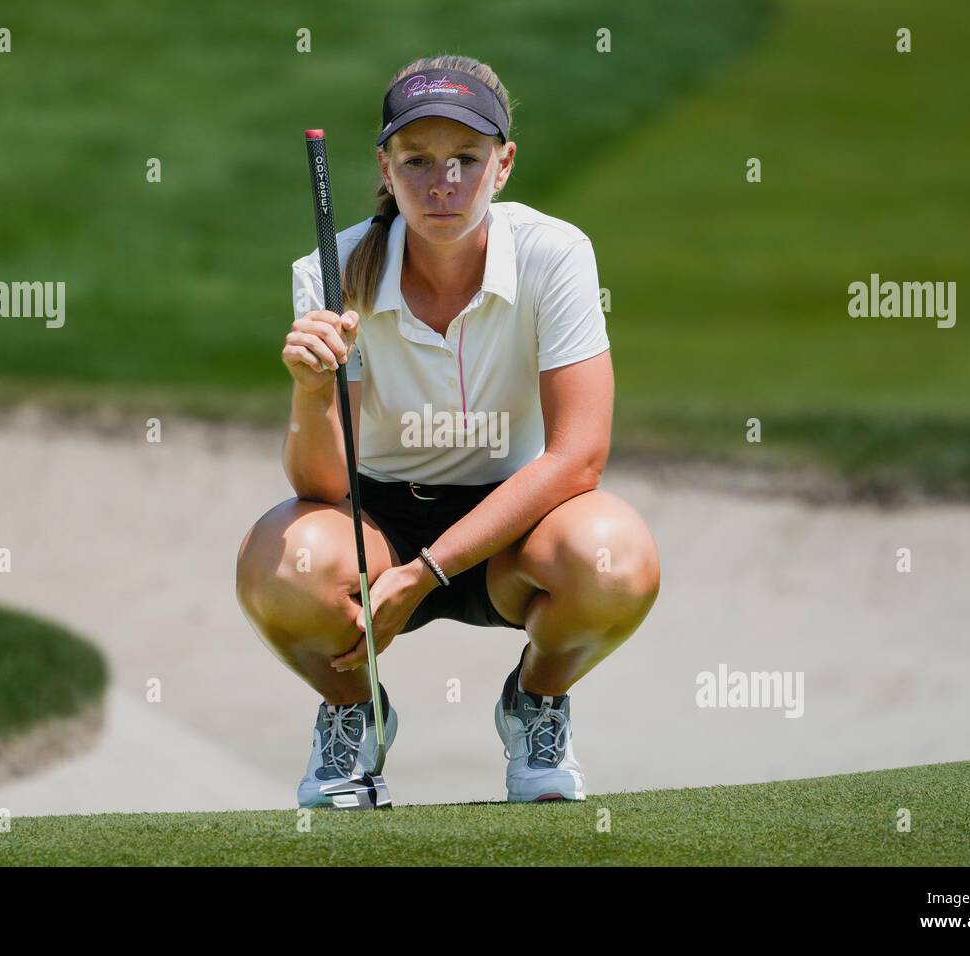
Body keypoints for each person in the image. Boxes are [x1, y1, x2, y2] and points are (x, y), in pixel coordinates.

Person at [236, 54, 660, 808]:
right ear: (386, 167)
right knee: (288, 563)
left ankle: (536, 704)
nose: (443, 185)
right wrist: (310, 392)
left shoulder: (554, 254)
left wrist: (427, 574)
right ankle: (351, 715)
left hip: (518, 520)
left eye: (466, 160)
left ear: (503, 165)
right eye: (418, 161)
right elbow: (324, 485)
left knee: (614, 558)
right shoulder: (333, 271)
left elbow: (577, 457)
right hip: (375, 519)